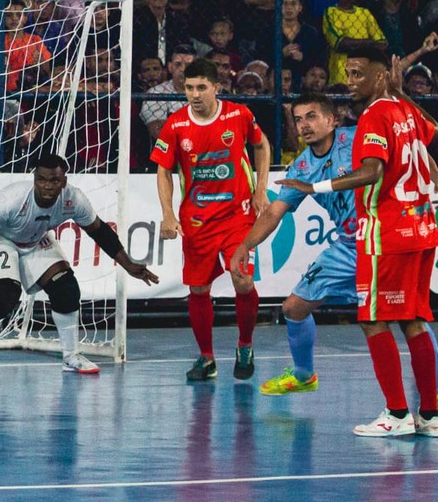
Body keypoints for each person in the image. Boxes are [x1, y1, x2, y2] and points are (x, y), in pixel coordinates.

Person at [278, 46, 438, 436]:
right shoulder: (403, 108)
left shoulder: (373, 116)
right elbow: (431, 141)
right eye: (347, 73)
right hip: (422, 227)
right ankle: (431, 417)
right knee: (415, 320)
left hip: (386, 233)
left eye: (358, 74)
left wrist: (311, 185)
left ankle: (398, 415)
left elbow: (370, 172)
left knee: (373, 320)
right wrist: (401, 93)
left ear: (381, 75)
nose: (349, 82)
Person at [0, 153, 157, 376]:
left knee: (66, 288)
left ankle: (71, 357)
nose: (47, 186)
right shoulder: (12, 198)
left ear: (63, 181)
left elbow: (99, 231)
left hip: (34, 239)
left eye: (54, 181)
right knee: (5, 293)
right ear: (34, 178)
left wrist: (127, 264)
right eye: (41, 180)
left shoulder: (73, 199)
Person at [151, 57, 271, 382]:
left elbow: (262, 146)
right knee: (199, 288)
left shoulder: (238, 114)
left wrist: (261, 190)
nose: (194, 94)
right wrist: (167, 214)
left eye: (201, 87)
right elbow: (163, 170)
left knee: (243, 280)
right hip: (198, 220)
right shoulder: (176, 125)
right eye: (189, 88)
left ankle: (245, 344)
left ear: (216, 87)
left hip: (238, 216)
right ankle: (206, 358)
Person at [231, 95, 357, 394]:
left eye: (312, 116)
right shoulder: (301, 167)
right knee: (293, 307)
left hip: (380, 240)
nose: (304, 125)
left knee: (406, 317)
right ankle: (304, 376)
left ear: (332, 120)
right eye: (299, 119)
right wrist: (245, 245)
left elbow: (410, 147)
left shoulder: (356, 140)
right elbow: (274, 212)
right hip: (347, 246)